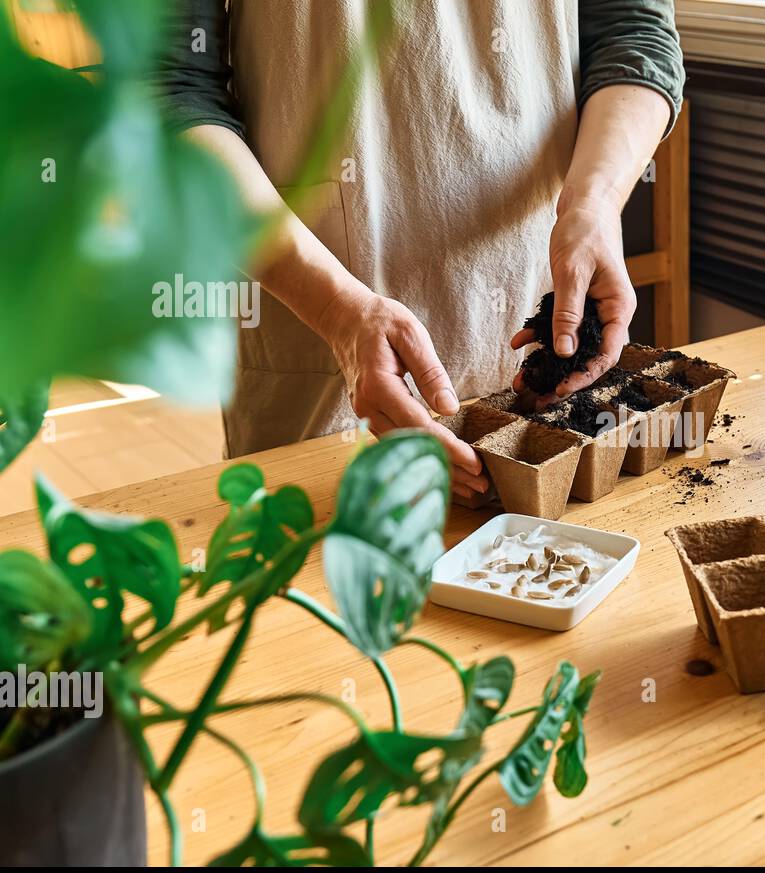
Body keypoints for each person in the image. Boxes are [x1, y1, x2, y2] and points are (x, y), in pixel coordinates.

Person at [156, 1, 684, 500]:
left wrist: (593, 205)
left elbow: (633, 35)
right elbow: (165, 90)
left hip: (533, 306)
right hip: (314, 323)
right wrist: (336, 311)